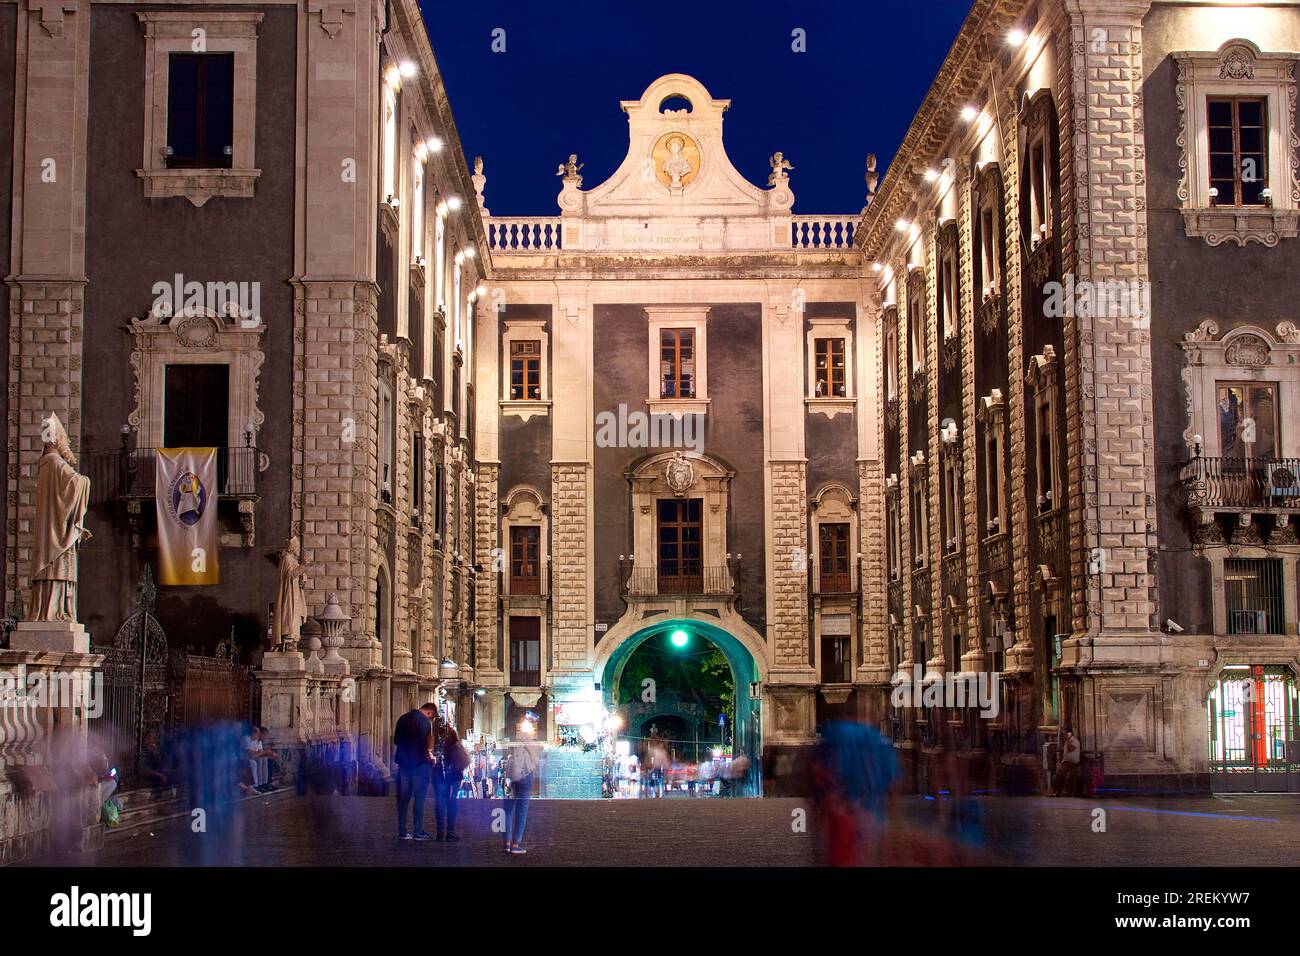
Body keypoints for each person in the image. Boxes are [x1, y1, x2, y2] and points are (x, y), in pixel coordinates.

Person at [393, 702, 437, 840]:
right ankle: (418, 831)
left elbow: (396, 741)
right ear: (430, 713)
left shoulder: (402, 718)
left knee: (403, 798)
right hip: (419, 764)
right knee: (419, 798)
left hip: (404, 763)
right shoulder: (424, 722)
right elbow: (427, 744)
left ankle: (402, 831)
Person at [502, 720, 542, 855]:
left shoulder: (510, 739)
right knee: (522, 809)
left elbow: (505, 756)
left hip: (511, 775)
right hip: (525, 775)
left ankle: (506, 843)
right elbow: (536, 760)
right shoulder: (531, 742)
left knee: (508, 810)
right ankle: (516, 844)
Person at [433, 723, 470, 841]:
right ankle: (450, 832)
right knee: (452, 801)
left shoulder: (437, 743)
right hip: (454, 776)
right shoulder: (456, 744)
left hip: (439, 776)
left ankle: (440, 832)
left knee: (440, 802)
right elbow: (466, 760)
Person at [1053, 728, 1082, 797]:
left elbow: (1070, 749)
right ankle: (1057, 791)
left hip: (1072, 762)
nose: (1063, 735)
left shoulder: (1075, 741)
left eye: (1065, 734)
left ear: (1069, 734)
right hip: (1066, 762)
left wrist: (1068, 739)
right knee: (1059, 773)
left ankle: (1057, 791)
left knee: (1061, 773)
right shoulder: (1067, 741)